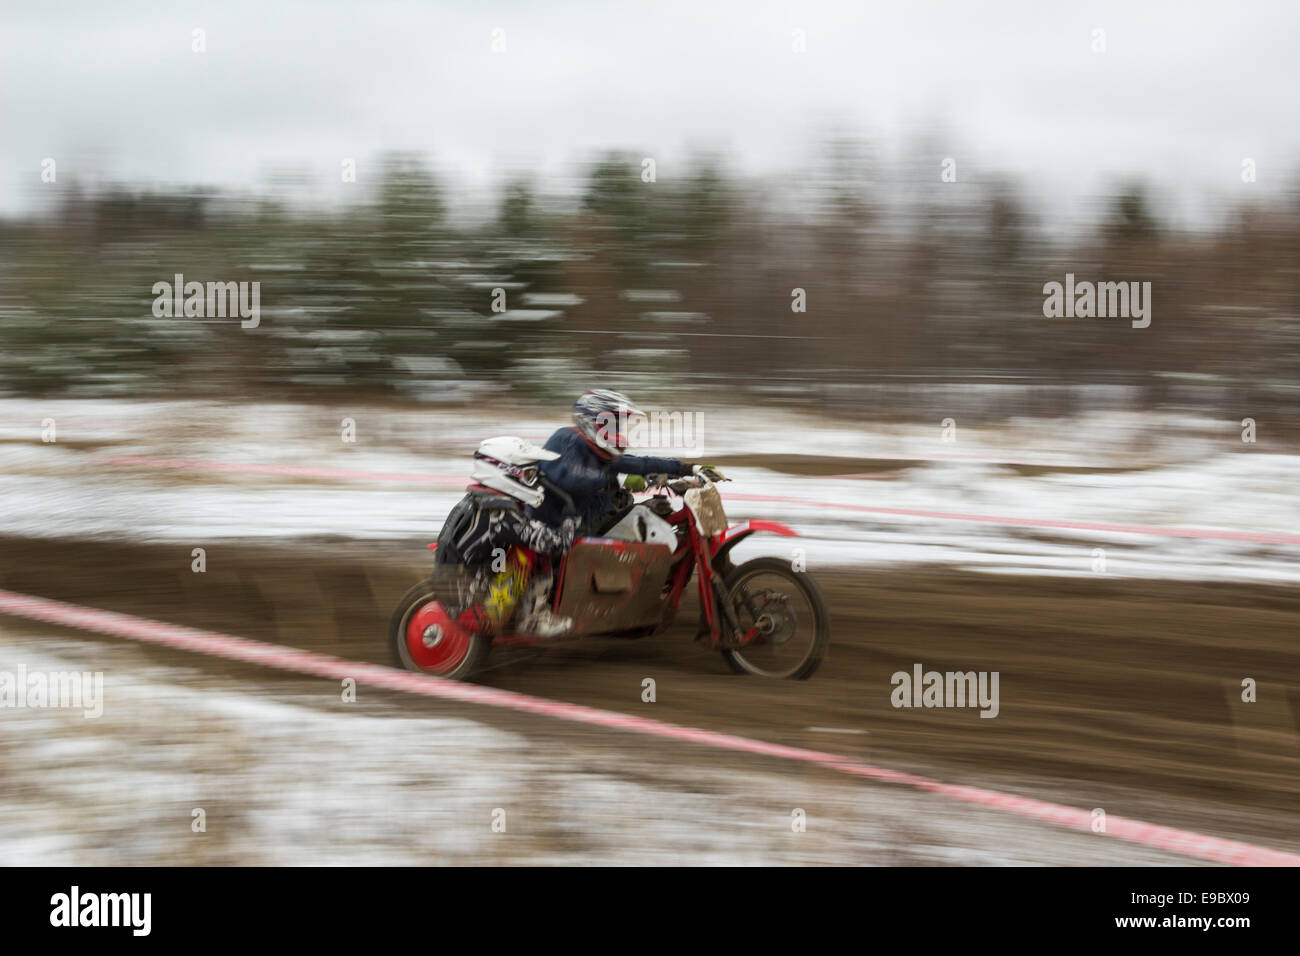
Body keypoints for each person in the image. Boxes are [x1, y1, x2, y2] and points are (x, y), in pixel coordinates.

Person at [435, 436, 579, 638]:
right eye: (529, 475)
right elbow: (557, 544)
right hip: (475, 612)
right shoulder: (499, 513)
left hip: (460, 587)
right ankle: (531, 619)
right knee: (532, 551)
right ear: (505, 472)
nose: (535, 482)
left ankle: (520, 607)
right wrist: (570, 521)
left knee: (513, 545)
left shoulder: (475, 501)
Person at [527, 389, 720, 534]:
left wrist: (688, 468)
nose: (617, 430)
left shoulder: (598, 450)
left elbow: (641, 464)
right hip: (553, 526)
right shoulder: (567, 439)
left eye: (619, 424)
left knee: (651, 515)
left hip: (584, 522)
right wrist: (618, 481)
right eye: (613, 423)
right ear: (592, 420)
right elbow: (570, 476)